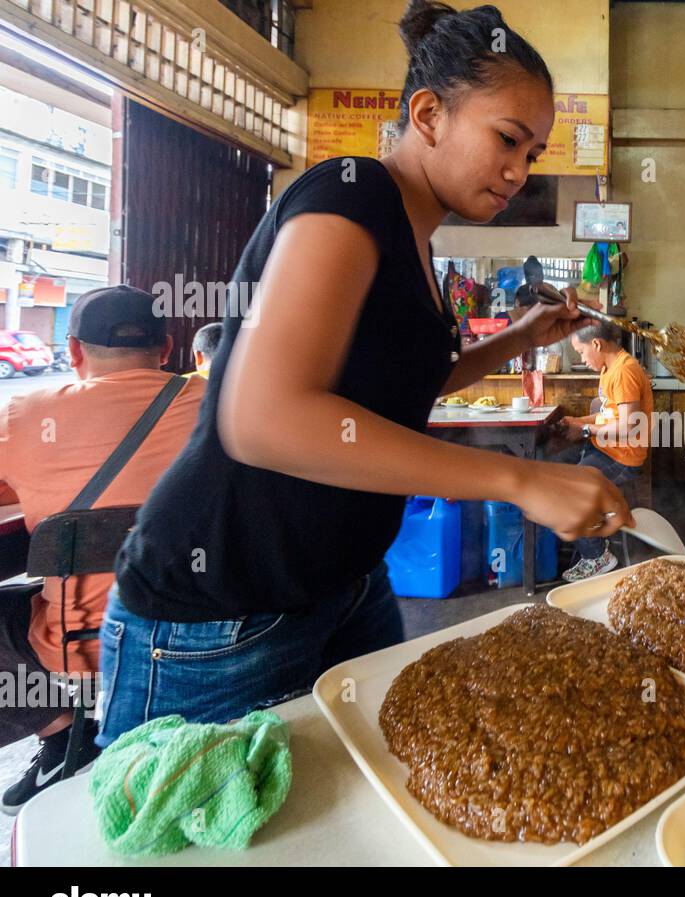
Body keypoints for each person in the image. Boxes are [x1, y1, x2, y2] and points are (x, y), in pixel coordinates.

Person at [95, 1, 631, 748]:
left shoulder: (416, 236)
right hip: (222, 615)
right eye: (507, 139)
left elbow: (398, 388)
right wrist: (518, 480)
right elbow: (262, 417)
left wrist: (519, 337)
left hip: (345, 588)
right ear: (429, 113)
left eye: (534, 153)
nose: (518, 171)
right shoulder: (351, 193)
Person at [0, 285, 205, 810]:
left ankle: (58, 729)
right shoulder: (216, 404)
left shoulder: (24, 415)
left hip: (74, 646)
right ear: (166, 349)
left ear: (72, 352)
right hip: (207, 632)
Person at [556, 320, 653, 581]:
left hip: (623, 457)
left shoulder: (624, 371)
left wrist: (585, 431)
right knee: (551, 470)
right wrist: (578, 422)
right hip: (604, 449)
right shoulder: (609, 369)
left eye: (581, 351)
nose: (582, 358)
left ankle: (597, 556)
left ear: (597, 344)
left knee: (571, 489)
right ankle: (584, 539)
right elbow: (605, 416)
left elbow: (628, 428)